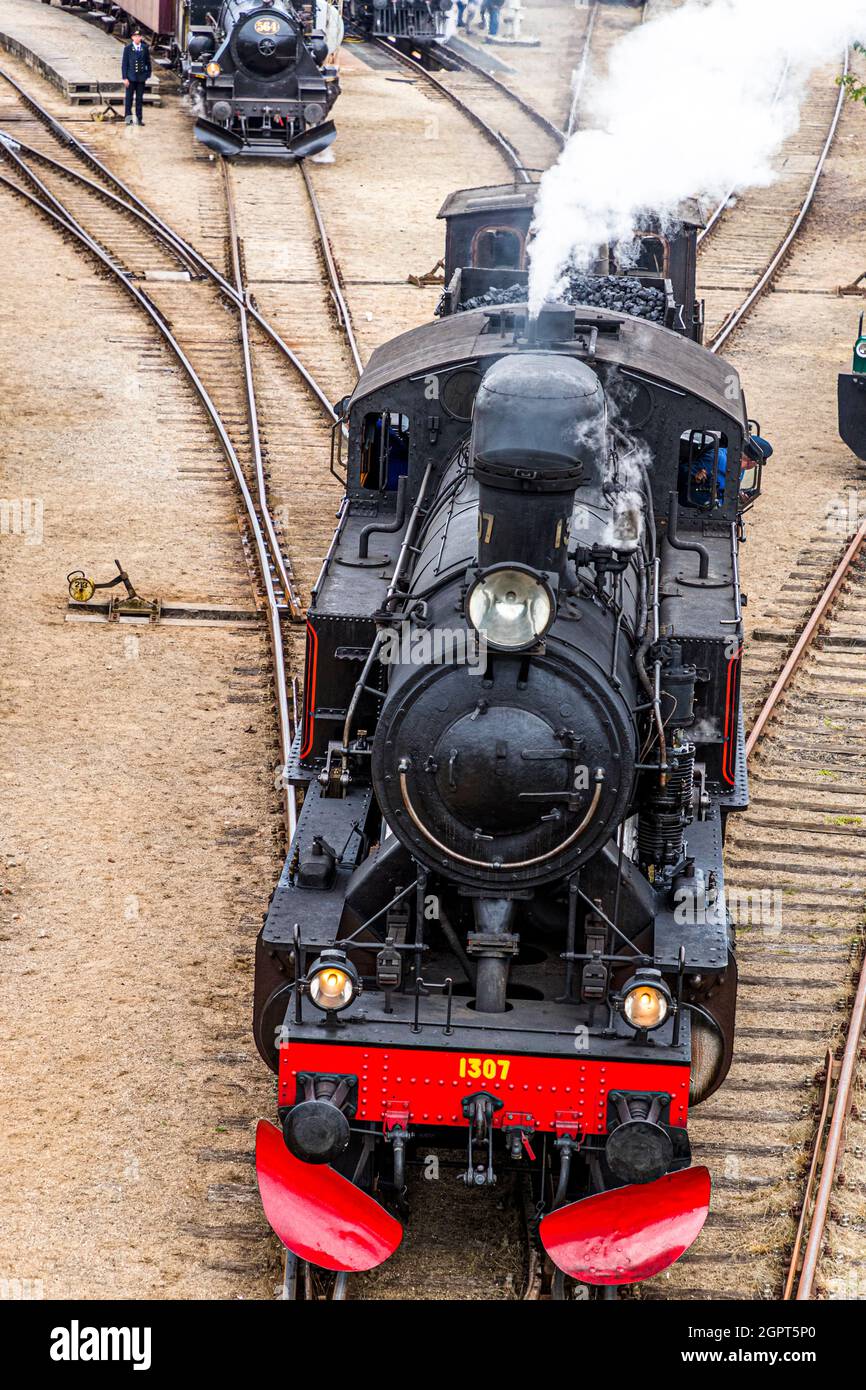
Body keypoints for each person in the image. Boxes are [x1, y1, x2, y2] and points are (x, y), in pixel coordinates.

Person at [122, 28, 152, 127]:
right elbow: (124, 64)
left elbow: (148, 62)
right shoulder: (128, 48)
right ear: (132, 38)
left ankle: (139, 119)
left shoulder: (144, 48)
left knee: (139, 99)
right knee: (129, 100)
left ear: (141, 37)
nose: (137, 38)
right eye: (135, 36)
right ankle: (128, 120)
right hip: (130, 78)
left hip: (141, 78)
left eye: (139, 36)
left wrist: (148, 74)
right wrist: (125, 78)